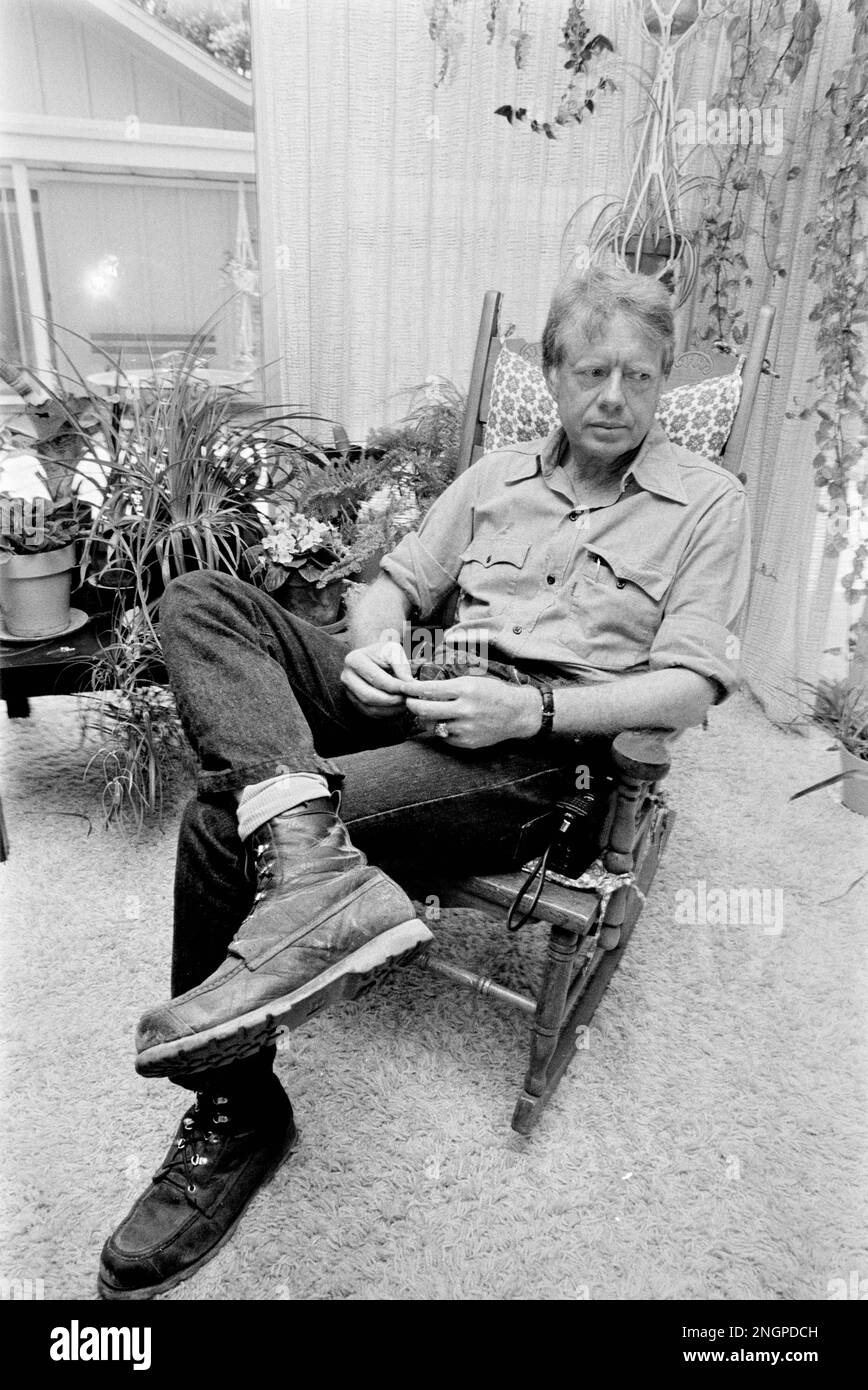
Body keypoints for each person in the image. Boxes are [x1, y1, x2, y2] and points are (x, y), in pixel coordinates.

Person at [97, 267, 751, 1299]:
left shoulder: (707, 502)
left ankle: (237, 1111)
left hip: (535, 748)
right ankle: (311, 850)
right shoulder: (494, 475)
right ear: (554, 373)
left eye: (638, 374)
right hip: (425, 685)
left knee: (220, 826)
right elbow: (393, 583)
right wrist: (371, 647)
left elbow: (692, 683)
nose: (614, 397)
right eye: (592, 371)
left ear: (665, 379)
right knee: (203, 598)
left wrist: (529, 711)